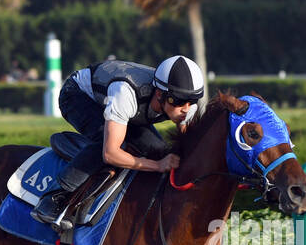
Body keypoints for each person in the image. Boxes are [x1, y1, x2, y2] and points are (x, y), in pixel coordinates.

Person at [31, 55, 205, 230]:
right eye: (180, 101)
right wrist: (157, 165)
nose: (186, 109)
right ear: (159, 94)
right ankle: (53, 198)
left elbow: (185, 146)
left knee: (160, 150)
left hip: (125, 108)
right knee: (111, 145)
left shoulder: (183, 102)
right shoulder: (125, 93)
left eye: (192, 101)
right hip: (78, 95)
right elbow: (110, 153)